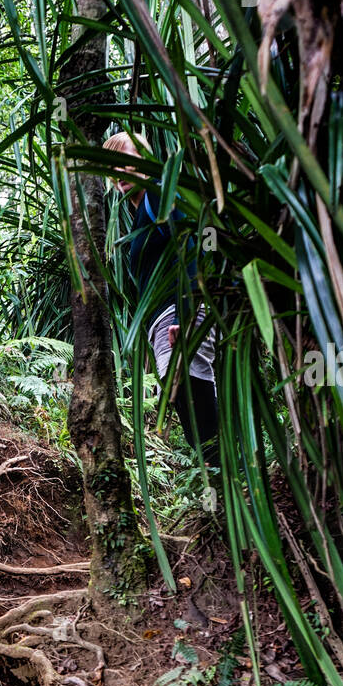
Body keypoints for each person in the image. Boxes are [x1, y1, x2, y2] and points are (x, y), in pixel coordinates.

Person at [103, 131, 219, 466]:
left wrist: (185, 315)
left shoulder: (160, 195)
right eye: (113, 168)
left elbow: (191, 247)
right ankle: (215, 473)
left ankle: (224, 473)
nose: (120, 173)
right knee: (182, 392)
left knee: (192, 386)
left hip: (180, 311)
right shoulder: (143, 212)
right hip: (163, 320)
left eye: (127, 161)